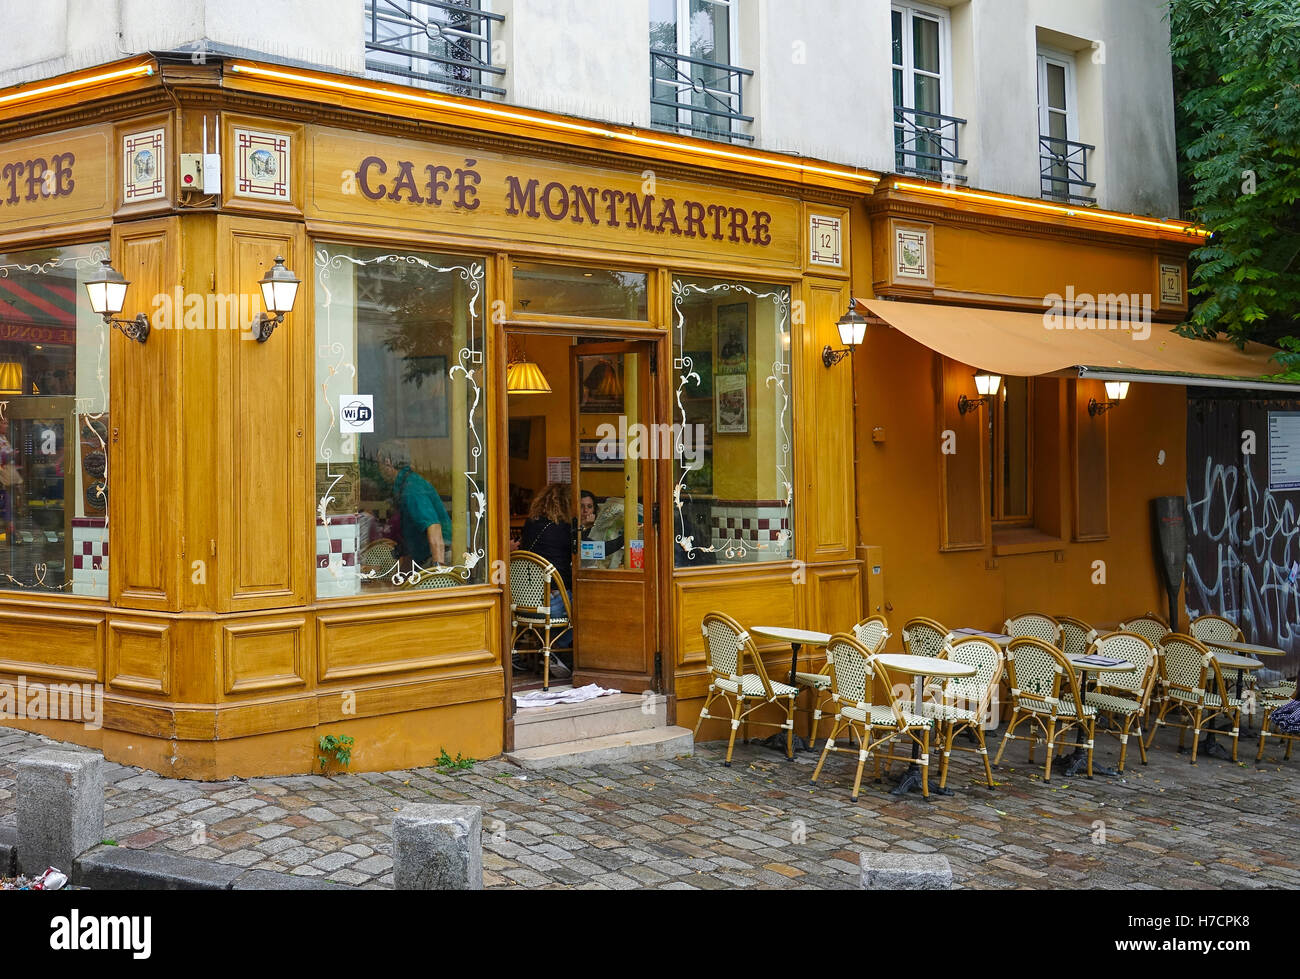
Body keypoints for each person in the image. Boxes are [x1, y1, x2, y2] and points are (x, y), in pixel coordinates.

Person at [518, 482, 574, 666]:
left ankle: (552, 648)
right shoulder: (564, 529)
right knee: (588, 605)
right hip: (553, 605)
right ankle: (558, 649)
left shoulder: (530, 524)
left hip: (524, 604)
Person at [377, 440, 452, 569]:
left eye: (379, 463)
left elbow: (433, 527)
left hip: (437, 557)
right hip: (426, 557)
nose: (378, 468)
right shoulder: (406, 483)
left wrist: (438, 571)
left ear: (388, 462)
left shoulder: (411, 489)